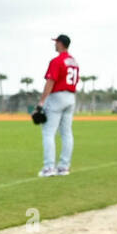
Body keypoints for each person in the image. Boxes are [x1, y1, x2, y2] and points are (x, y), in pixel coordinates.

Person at [36, 34, 78, 176]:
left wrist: (41, 102)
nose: (55, 44)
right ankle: (64, 167)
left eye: (56, 42)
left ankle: (49, 167)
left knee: (48, 132)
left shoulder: (57, 61)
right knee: (67, 133)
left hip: (57, 96)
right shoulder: (73, 62)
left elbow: (51, 81)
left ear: (60, 43)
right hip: (71, 97)